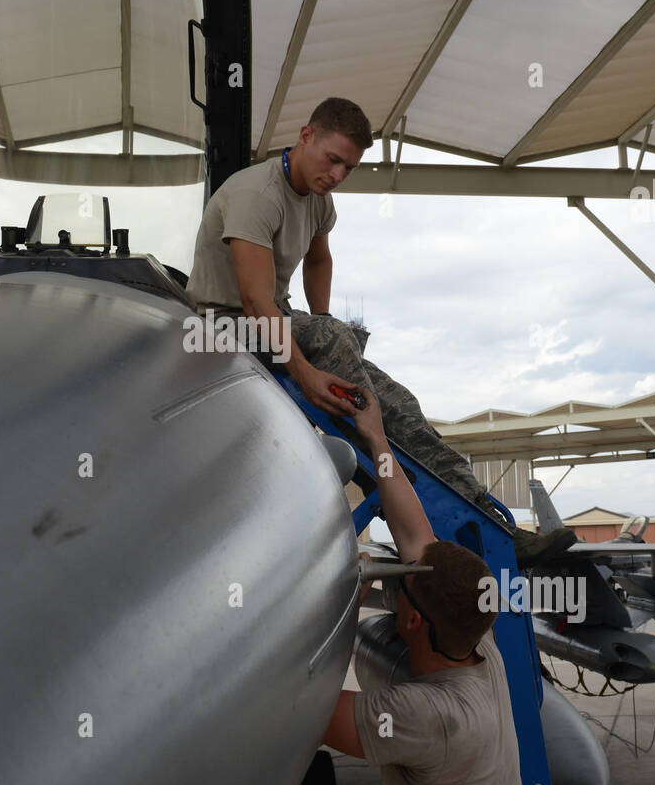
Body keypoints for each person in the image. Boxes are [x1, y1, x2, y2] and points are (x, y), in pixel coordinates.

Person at [186, 96, 574, 567]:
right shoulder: (256, 195)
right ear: (305, 135)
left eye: (348, 168)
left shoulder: (318, 201)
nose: (337, 175)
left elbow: (319, 257)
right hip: (219, 329)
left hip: (273, 320)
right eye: (333, 160)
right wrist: (309, 372)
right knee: (341, 350)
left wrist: (324, 320)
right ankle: (390, 463)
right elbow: (254, 299)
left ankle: (494, 526)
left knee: (400, 403)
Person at [320, 387, 576, 785]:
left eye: (399, 583)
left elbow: (300, 705)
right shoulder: (481, 648)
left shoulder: (423, 717)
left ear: (409, 619)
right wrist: (377, 441)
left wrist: (339, 589)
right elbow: (420, 541)